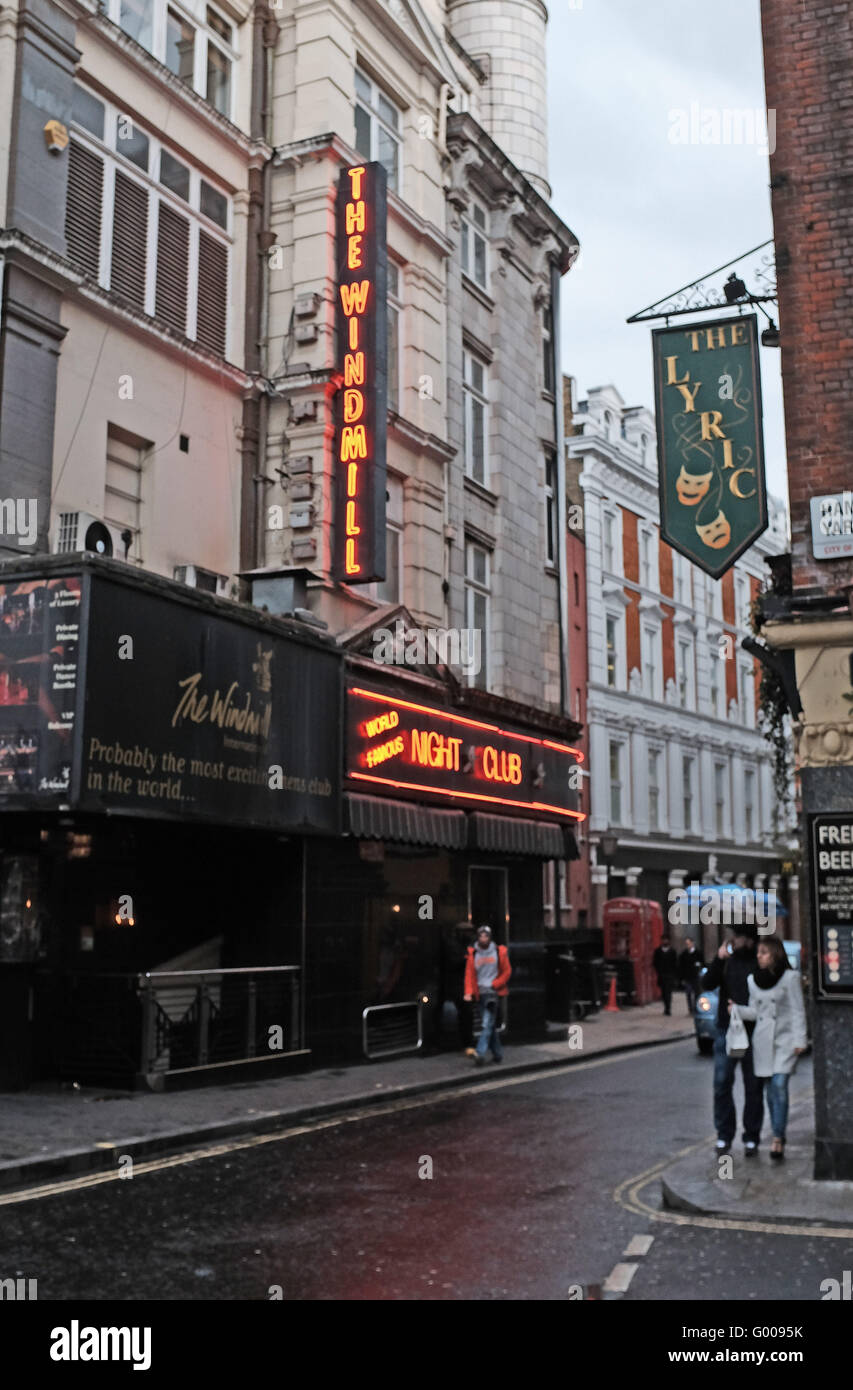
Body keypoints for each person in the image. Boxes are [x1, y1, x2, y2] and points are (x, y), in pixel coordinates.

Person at [735, 936, 807, 1161]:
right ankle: (778, 1133)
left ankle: (777, 1136)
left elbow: (797, 1010)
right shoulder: (752, 981)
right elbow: (756, 1013)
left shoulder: (790, 977)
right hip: (763, 1041)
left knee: (779, 1085)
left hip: (785, 1041)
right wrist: (736, 1009)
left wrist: (800, 1040)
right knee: (769, 1091)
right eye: (758, 952)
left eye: (764, 952)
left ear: (775, 954)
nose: (759, 956)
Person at [701, 926, 764, 1156]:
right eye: (734, 936)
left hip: (753, 1032)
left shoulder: (759, 961)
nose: (733, 940)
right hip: (727, 1031)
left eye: (738, 936)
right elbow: (707, 984)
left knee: (753, 1087)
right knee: (721, 1083)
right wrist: (718, 959)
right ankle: (724, 1135)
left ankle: (751, 1137)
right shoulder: (727, 960)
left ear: (749, 940)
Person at [464, 925, 511, 1066]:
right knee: (489, 1025)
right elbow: (469, 975)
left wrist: (495, 984)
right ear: (478, 938)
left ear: (490, 938)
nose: (483, 938)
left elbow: (507, 972)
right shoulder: (473, 954)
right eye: (481, 936)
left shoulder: (498, 952)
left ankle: (480, 1052)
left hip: (492, 994)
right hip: (480, 994)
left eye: (486, 936)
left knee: (486, 1024)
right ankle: (498, 1054)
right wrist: (468, 992)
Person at [652, 935, 678, 1015]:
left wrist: (675, 974)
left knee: (668, 992)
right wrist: (658, 971)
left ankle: (668, 1008)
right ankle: (666, 1007)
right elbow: (655, 962)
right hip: (661, 975)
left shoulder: (673, 951)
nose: (665, 942)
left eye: (666, 940)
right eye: (664, 940)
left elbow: (676, 963)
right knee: (663, 992)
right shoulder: (657, 951)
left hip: (670, 975)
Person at [678, 936, 704, 1015]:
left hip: (696, 976)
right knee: (688, 993)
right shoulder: (683, 954)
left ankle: (696, 1008)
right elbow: (681, 966)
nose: (688, 945)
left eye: (689, 944)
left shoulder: (698, 953)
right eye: (686, 944)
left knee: (697, 993)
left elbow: (703, 963)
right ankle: (690, 1010)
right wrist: (681, 978)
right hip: (687, 977)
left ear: (693, 943)